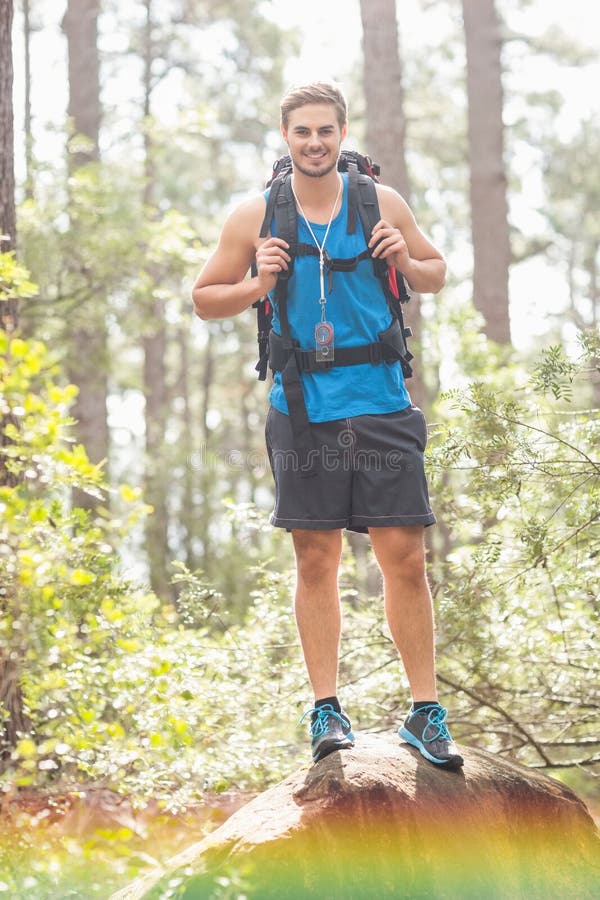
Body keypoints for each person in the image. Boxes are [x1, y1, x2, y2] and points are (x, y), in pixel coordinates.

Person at [192, 82, 463, 770]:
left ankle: (425, 713)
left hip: (381, 402)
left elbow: (435, 271)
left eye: (325, 131)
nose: (314, 142)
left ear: (343, 134)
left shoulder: (380, 200)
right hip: (303, 409)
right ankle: (326, 710)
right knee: (316, 562)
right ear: (285, 137)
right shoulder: (257, 214)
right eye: (302, 131)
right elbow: (203, 298)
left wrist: (403, 255)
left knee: (404, 559)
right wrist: (256, 284)